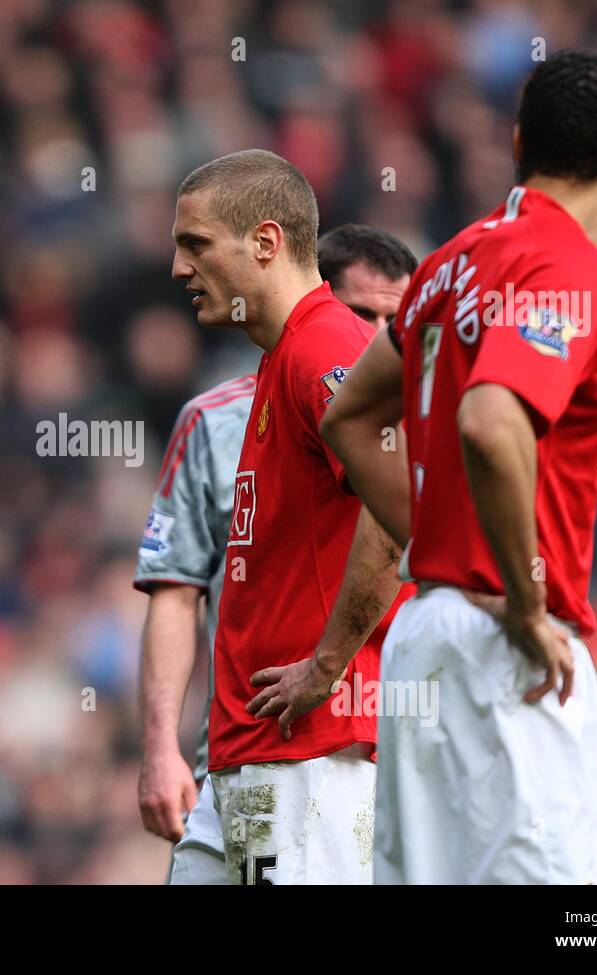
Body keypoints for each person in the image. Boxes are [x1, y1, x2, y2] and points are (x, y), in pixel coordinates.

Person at [321, 49, 597, 884]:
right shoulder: (569, 264)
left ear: (514, 140)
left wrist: (437, 544)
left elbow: (348, 418)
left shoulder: (446, 265)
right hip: (508, 646)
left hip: (423, 638)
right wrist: (525, 602)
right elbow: (492, 423)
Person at [134, 224, 416, 885]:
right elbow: (176, 587)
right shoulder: (216, 419)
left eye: (392, 322)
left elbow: (403, 531)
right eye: (361, 313)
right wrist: (158, 746)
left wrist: (329, 665)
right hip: (240, 743)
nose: (375, 336)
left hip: (349, 741)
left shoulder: (408, 426)